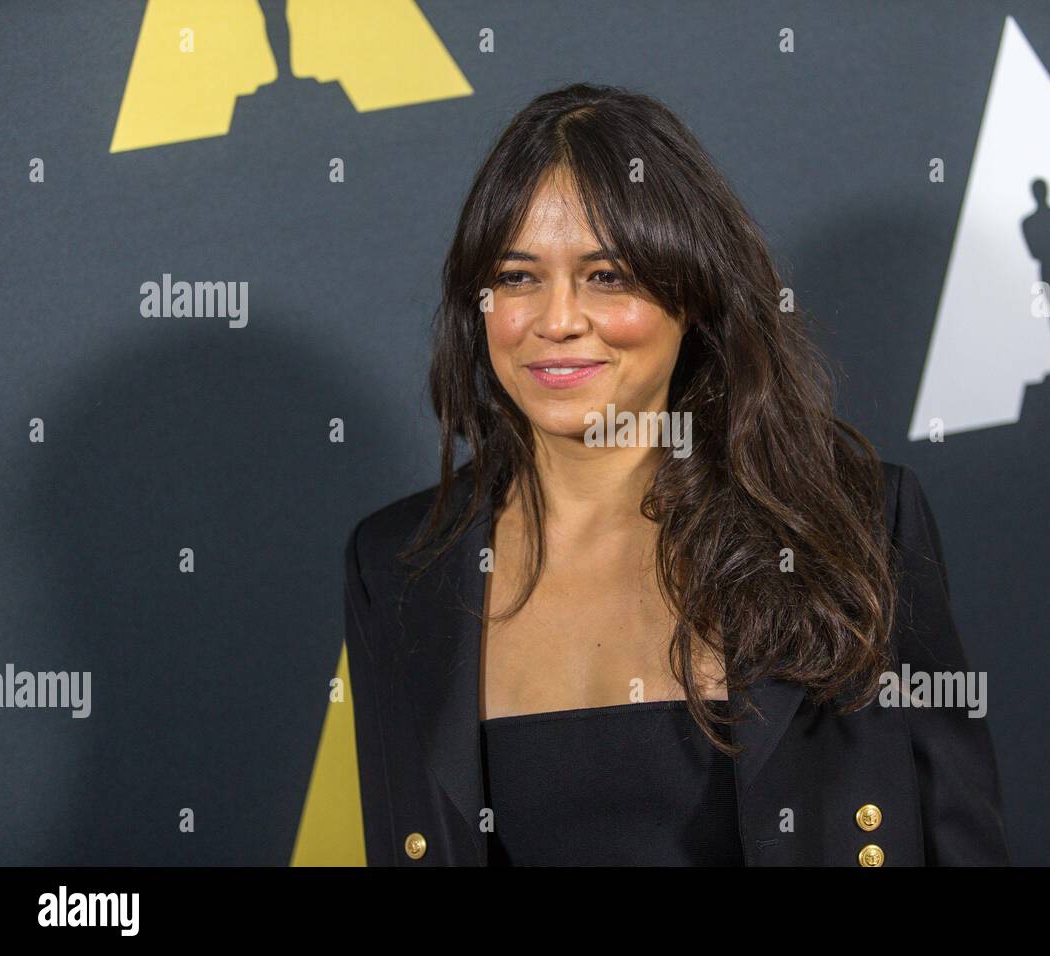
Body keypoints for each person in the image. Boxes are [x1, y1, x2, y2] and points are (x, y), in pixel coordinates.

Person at [344, 82, 1009, 866]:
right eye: (518, 277)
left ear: (690, 295)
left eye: (608, 275)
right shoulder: (397, 568)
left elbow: (958, 842)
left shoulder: (851, 521)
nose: (557, 320)